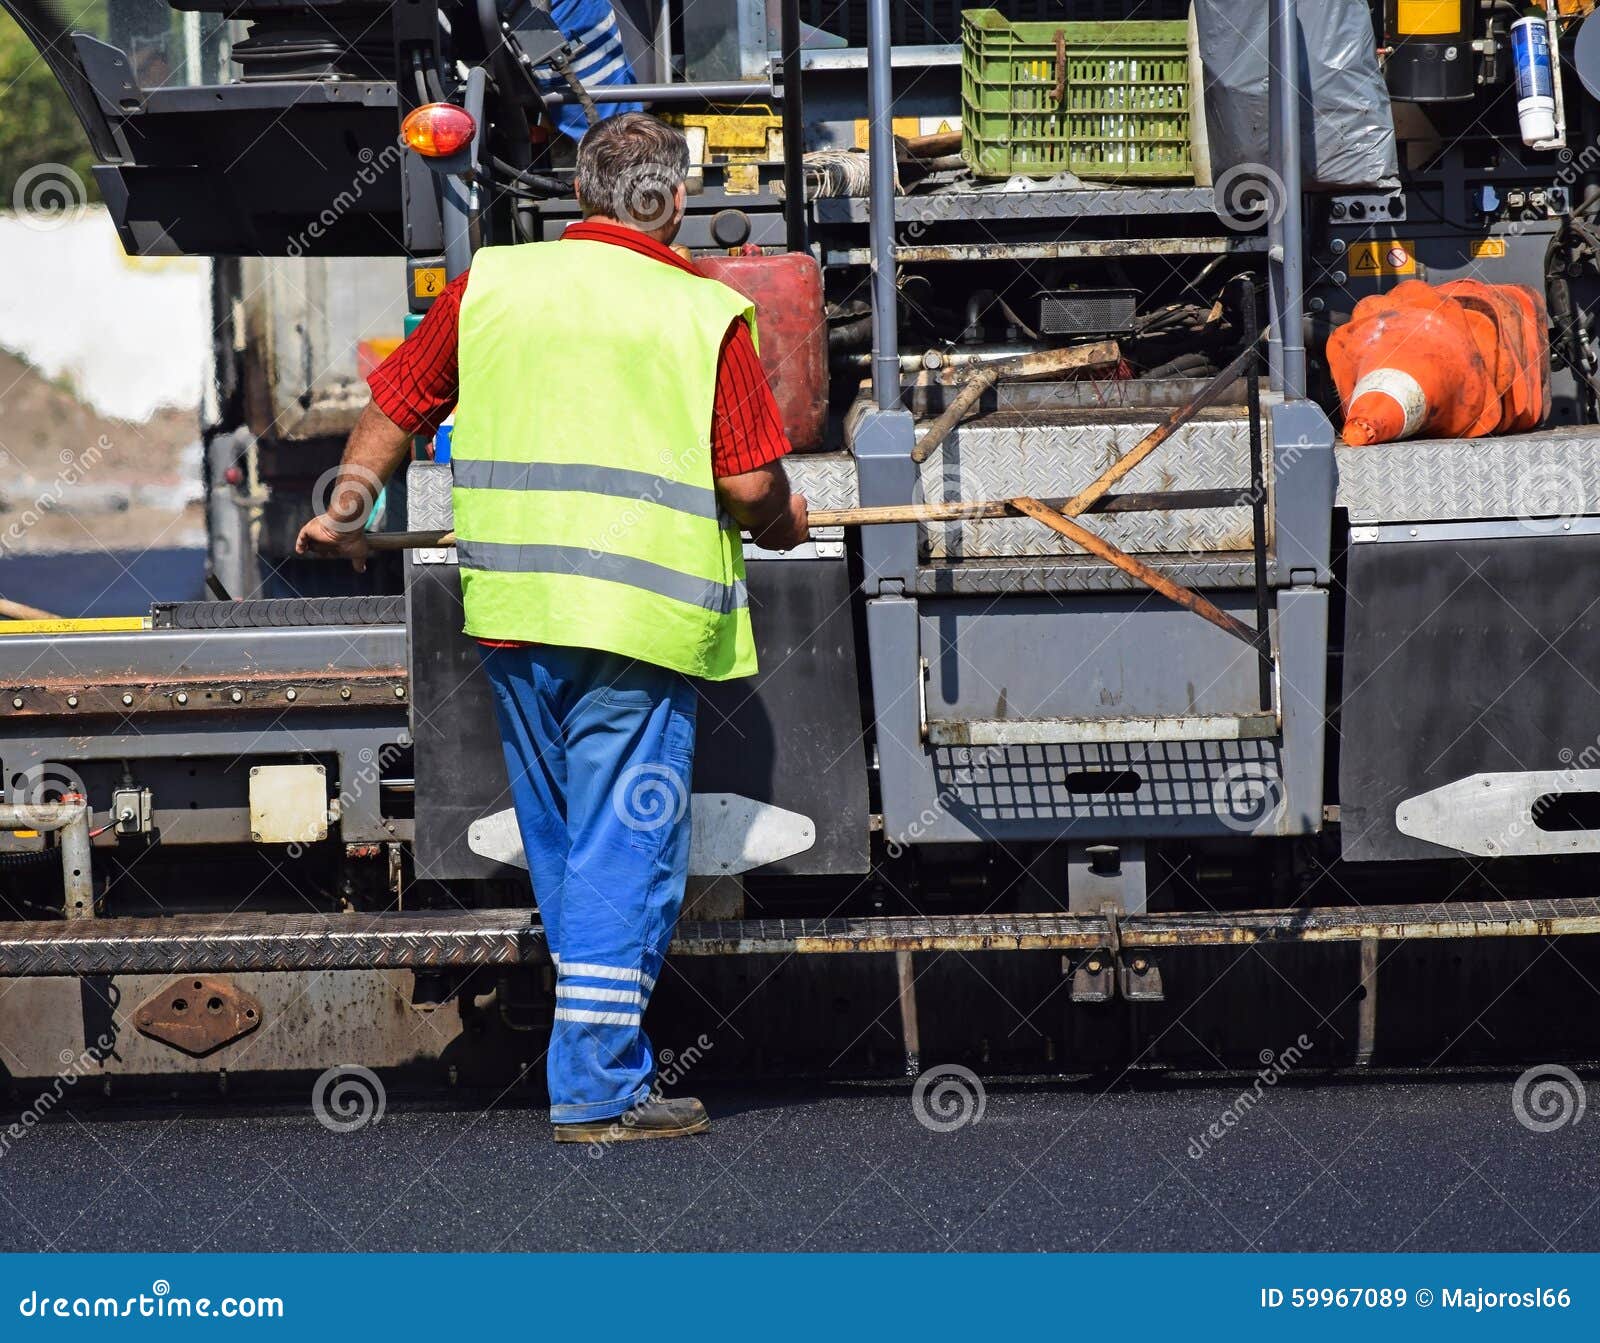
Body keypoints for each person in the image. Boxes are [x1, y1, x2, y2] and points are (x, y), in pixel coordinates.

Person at [296, 112, 809, 1142]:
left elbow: (398, 405)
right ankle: (600, 1086)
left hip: (516, 616)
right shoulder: (699, 313)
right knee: (625, 849)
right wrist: (785, 519)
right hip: (636, 622)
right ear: (668, 202)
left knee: (569, 846)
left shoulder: (492, 284)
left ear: (581, 195)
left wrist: (347, 503)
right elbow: (750, 484)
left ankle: (590, 1063)